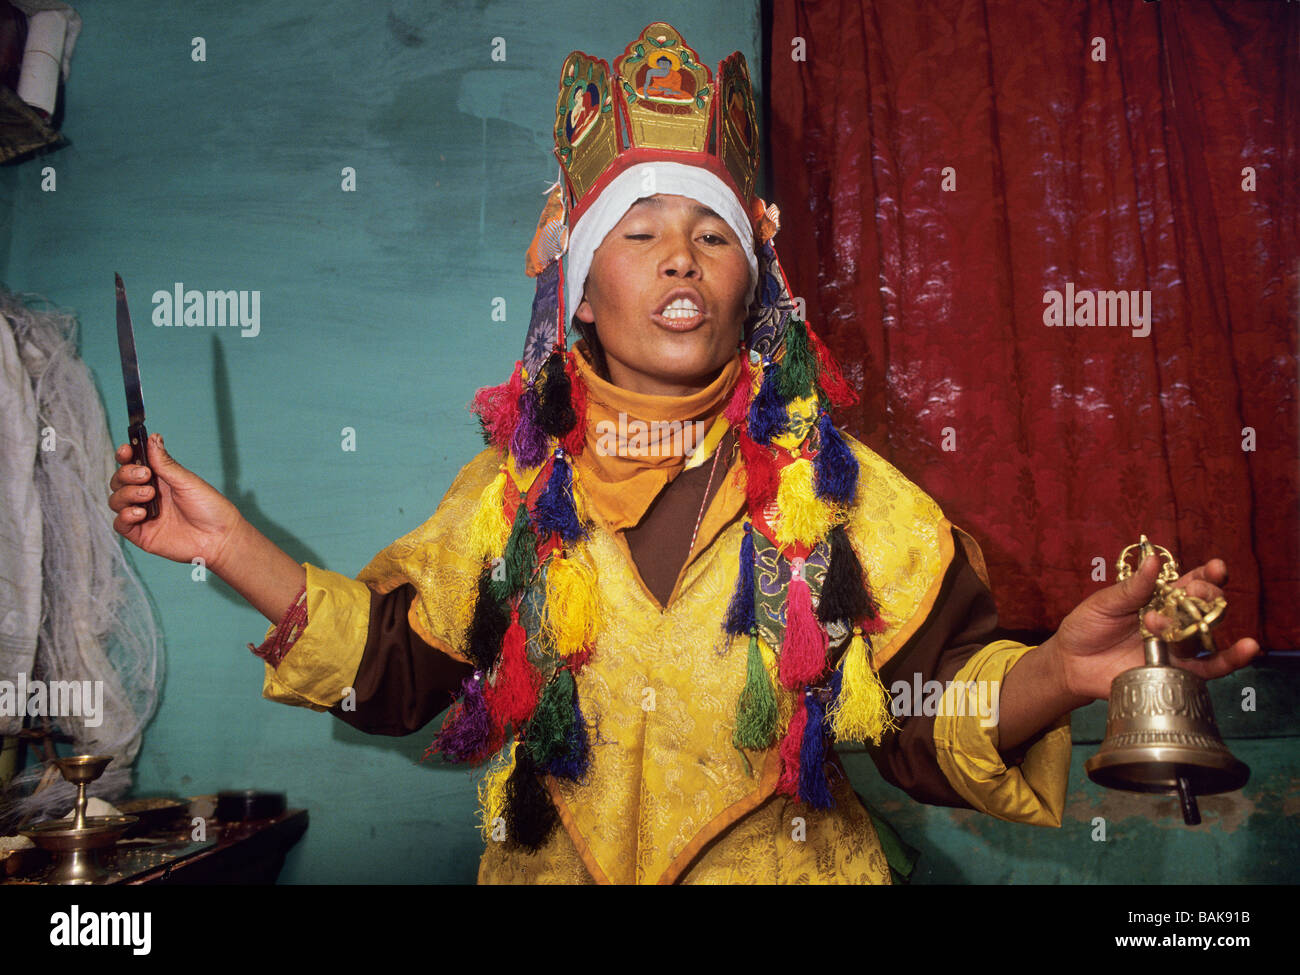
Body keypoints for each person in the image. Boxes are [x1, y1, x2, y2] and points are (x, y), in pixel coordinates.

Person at [108, 23, 1259, 885]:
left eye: (713, 234)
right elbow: (405, 674)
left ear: (751, 286)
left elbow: (916, 716)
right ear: (581, 292)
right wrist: (235, 548)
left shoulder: (844, 496)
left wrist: (1057, 668)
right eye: (640, 234)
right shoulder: (509, 498)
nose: (681, 259)